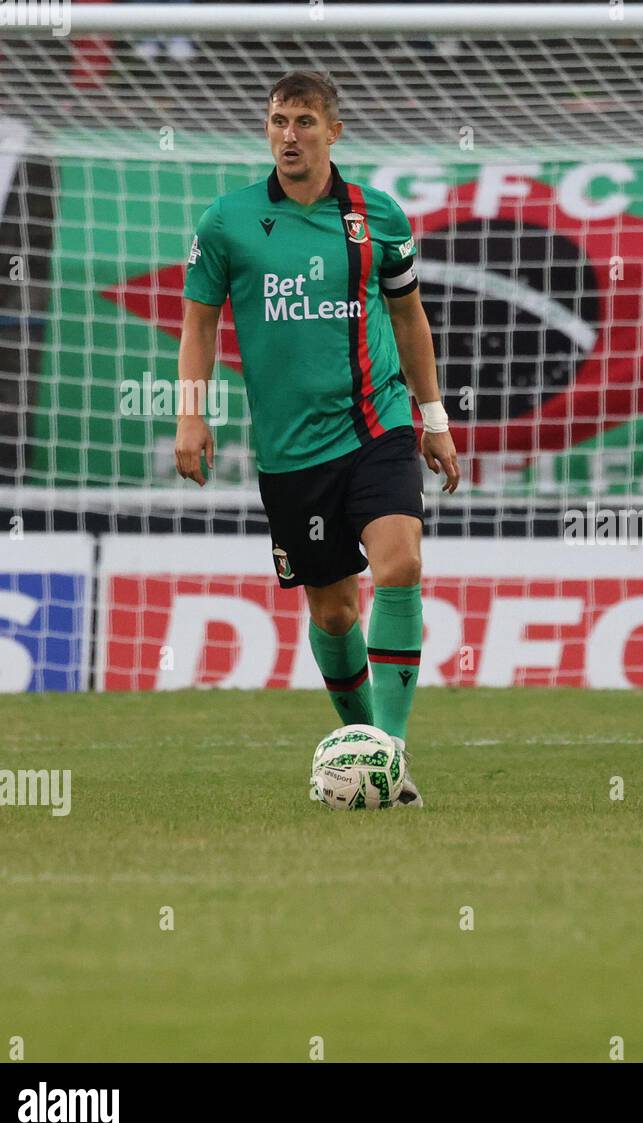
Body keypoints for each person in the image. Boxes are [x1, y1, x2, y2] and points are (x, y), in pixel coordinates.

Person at [175, 71, 459, 807]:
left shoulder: (378, 217)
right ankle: (370, 757)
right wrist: (189, 413)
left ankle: (388, 751)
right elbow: (199, 324)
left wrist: (432, 421)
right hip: (292, 452)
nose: (289, 135)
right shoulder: (226, 223)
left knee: (399, 566)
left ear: (334, 131)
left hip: (378, 422)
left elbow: (409, 320)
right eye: (277, 122)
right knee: (334, 612)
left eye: (304, 121)